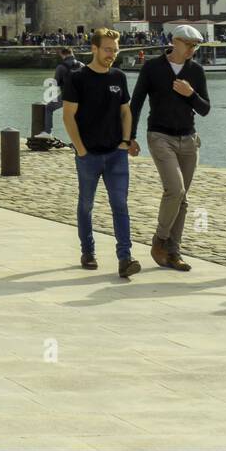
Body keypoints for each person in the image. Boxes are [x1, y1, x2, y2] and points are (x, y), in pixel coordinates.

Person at [128, 23, 210, 273]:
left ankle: (174, 252)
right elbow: (137, 103)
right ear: (175, 41)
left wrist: (190, 93)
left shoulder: (196, 71)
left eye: (195, 46)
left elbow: (205, 108)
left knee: (182, 199)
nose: (192, 51)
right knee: (175, 189)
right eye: (189, 45)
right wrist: (129, 137)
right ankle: (160, 240)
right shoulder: (153, 68)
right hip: (160, 136)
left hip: (189, 139)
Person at [62, 27, 140, 279]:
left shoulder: (118, 77)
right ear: (94, 49)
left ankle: (125, 258)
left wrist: (125, 141)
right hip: (89, 156)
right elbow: (68, 116)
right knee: (86, 205)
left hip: (116, 154)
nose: (112, 54)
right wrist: (81, 150)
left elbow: (125, 111)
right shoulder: (77, 78)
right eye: (107, 49)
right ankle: (87, 250)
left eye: (115, 50)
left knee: (120, 205)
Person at [43, 46, 81, 134]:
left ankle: (47, 132)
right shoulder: (82, 65)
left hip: (67, 95)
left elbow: (55, 83)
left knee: (48, 108)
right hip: (81, 96)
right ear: (72, 53)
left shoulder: (61, 67)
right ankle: (80, 140)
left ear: (63, 55)